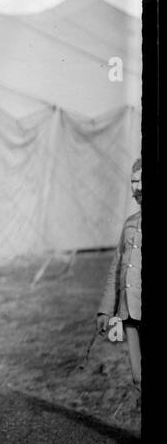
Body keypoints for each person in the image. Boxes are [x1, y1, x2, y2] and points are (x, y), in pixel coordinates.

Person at [97, 156, 141, 389]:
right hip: (130, 316)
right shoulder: (129, 223)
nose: (137, 188)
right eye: (133, 182)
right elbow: (116, 269)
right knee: (138, 377)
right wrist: (106, 311)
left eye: (142, 180)